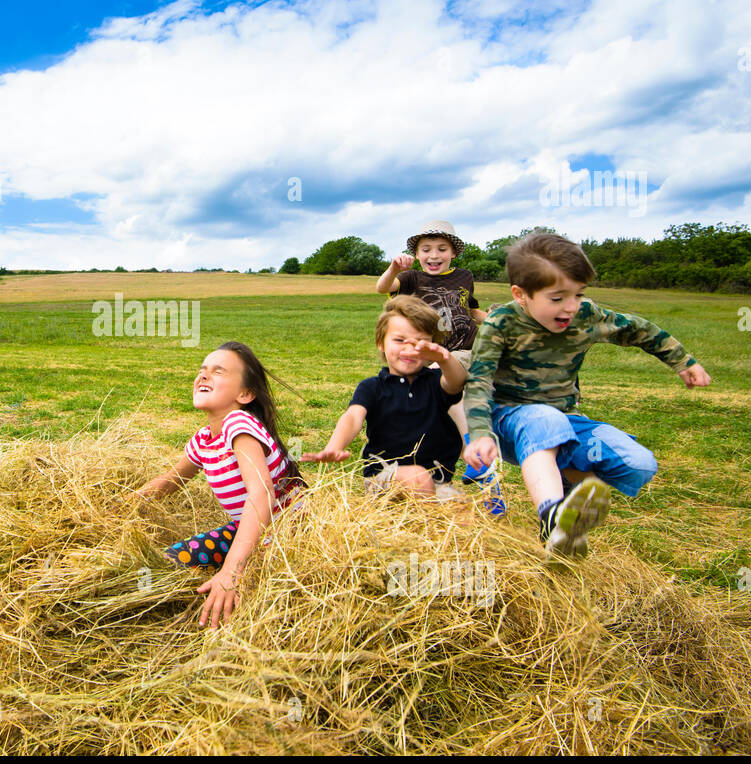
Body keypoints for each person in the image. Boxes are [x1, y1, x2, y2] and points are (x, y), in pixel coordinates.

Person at [462, 232, 712, 558]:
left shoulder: (586, 315)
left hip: (566, 420)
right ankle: (551, 516)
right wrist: (480, 433)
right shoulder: (501, 324)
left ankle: (568, 516)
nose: (571, 307)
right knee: (545, 420)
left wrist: (683, 361)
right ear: (521, 294)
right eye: (557, 298)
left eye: (578, 294)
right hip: (509, 421)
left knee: (639, 464)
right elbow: (478, 381)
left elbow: (638, 329)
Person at [131, 341, 304, 629]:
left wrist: (232, 572)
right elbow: (167, 483)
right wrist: (118, 506)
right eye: (201, 371)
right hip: (254, 531)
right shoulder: (204, 440)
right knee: (173, 558)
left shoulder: (239, 424)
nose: (203, 376)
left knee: (253, 587)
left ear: (245, 394)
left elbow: (261, 494)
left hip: (291, 532)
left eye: (218, 371)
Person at [304, 295, 466, 500]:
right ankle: (418, 525)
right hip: (384, 478)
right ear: (381, 344)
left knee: (463, 513)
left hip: (438, 482)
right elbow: (353, 418)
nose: (409, 349)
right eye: (399, 340)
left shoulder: (437, 382)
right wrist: (334, 447)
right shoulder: (372, 387)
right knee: (417, 477)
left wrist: (444, 359)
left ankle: (428, 518)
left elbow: (457, 381)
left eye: (421, 343)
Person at [375, 220, 492, 487]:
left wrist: (493, 318)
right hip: (426, 353)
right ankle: (474, 468)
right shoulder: (411, 278)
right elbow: (382, 288)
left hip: (462, 349)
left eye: (442, 249)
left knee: (444, 384)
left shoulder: (465, 277)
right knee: (435, 406)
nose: (434, 255)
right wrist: (394, 267)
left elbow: (471, 309)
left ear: (453, 253)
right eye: (426, 249)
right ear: (417, 255)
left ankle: (470, 444)